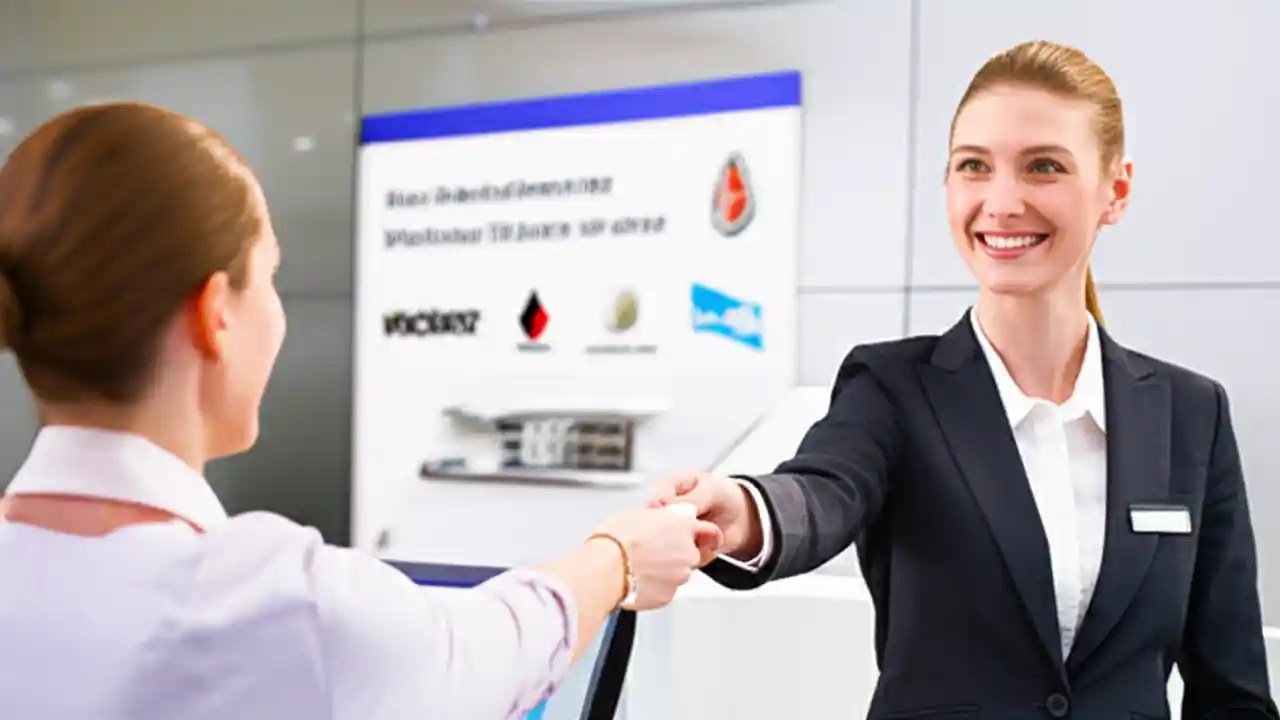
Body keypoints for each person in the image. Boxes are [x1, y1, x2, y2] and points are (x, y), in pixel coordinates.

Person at [0, 101, 723, 720]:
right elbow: (490, 651)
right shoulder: (274, 603)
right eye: (270, 277)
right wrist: (621, 558)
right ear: (215, 312)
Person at [652, 39, 1279, 719]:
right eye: (974, 166)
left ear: (1115, 190)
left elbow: (1232, 692)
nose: (1002, 202)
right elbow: (822, 493)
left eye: (1043, 167)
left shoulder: (1190, 415)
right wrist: (742, 512)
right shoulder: (892, 387)